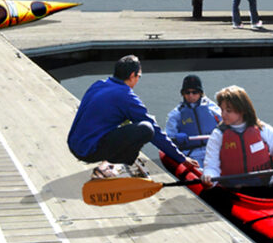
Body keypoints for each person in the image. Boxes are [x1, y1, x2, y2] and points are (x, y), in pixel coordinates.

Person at [67, 55, 196, 180]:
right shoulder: (126, 96)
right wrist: (181, 158)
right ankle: (114, 165)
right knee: (147, 128)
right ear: (132, 76)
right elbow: (155, 132)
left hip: (74, 144)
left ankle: (111, 160)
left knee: (133, 120)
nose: (138, 79)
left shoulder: (99, 84)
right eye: (139, 76)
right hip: (88, 152)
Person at [199, 85, 273, 189]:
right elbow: (211, 165)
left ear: (242, 110)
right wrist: (209, 177)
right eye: (222, 110)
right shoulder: (218, 135)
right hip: (233, 187)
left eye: (228, 111)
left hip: (263, 182)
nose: (223, 114)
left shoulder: (262, 129)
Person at [166, 74, 220, 165]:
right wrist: (176, 138)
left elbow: (227, 124)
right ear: (183, 94)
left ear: (200, 93)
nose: (191, 95)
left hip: (214, 151)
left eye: (194, 92)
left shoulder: (212, 108)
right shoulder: (176, 114)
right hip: (192, 155)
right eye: (187, 92)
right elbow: (168, 138)